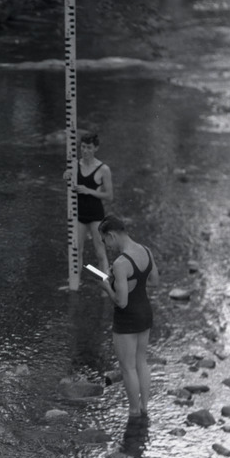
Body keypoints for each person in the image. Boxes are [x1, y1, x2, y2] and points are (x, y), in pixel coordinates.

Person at [96, 215, 160, 425]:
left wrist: (107, 285)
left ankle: (134, 413)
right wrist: (129, 283)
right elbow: (154, 281)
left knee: (127, 367)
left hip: (127, 319)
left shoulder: (121, 263)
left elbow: (121, 302)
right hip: (145, 313)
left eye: (105, 241)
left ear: (111, 235)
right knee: (141, 362)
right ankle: (144, 408)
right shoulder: (145, 250)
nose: (107, 246)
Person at [62, 133, 113, 273]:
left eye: (89, 147)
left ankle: (106, 283)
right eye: (83, 147)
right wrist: (66, 176)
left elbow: (109, 196)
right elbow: (69, 180)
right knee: (76, 251)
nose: (85, 151)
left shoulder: (103, 169)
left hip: (96, 214)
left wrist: (88, 190)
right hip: (78, 213)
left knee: (100, 252)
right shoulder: (74, 165)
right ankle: (75, 283)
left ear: (96, 148)